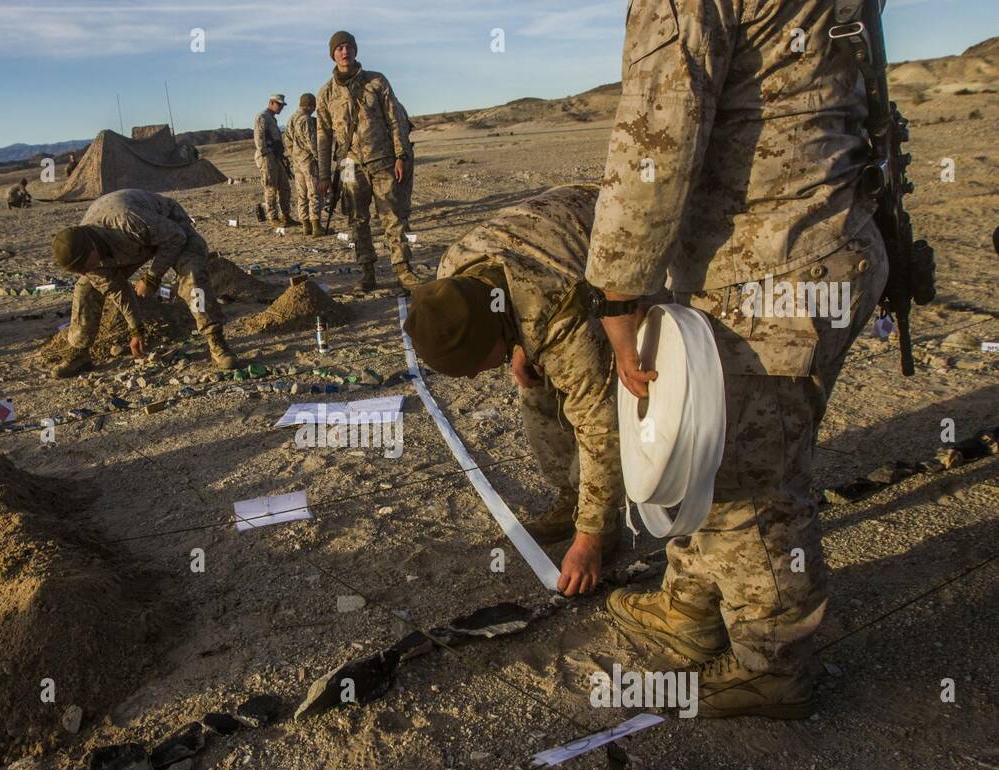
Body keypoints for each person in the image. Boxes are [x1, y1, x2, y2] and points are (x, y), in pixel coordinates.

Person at [586, 0, 889, 718]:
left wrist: (618, 295)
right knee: (708, 454)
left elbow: (655, 139)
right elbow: (868, 93)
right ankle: (691, 608)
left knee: (750, 481)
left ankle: (772, 662)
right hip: (831, 245)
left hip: (767, 270)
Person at [403, 185, 623, 595]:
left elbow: (602, 426)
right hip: (545, 252)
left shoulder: (560, 315)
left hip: (609, 231)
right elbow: (504, 304)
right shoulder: (453, 275)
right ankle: (571, 496)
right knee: (534, 386)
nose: (474, 379)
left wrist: (590, 538)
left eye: (477, 365)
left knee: (613, 400)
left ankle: (602, 526)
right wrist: (519, 345)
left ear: (493, 336)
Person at [49, 188, 240, 376]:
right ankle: (79, 353)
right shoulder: (89, 258)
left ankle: (215, 340)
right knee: (85, 289)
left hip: (170, 226)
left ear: (91, 249)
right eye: (77, 269)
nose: (83, 271)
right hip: (134, 246)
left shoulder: (126, 221)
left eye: (82, 265)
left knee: (193, 275)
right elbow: (117, 290)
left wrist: (152, 277)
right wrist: (136, 329)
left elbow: (176, 237)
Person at [316, 30, 420, 291]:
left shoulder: (376, 81)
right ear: (332, 54)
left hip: (382, 159)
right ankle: (367, 273)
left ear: (355, 50)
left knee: (393, 216)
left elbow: (395, 120)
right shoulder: (326, 94)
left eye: (348, 46)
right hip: (349, 166)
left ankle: (403, 270)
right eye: (339, 48)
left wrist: (401, 155)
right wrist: (325, 175)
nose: (344, 51)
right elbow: (323, 136)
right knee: (356, 219)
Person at [284, 93, 324, 236]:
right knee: (314, 193)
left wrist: (295, 154)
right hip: (308, 161)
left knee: (302, 194)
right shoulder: (306, 120)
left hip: (297, 161)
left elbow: (287, 141)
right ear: (310, 105)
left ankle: (306, 226)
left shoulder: (291, 119)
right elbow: (312, 142)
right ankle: (316, 226)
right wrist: (318, 158)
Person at [253, 94, 295, 229]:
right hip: (267, 157)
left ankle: (286, 216)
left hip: (276, 156)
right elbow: (259, 138)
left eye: (282, 105)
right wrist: (265, 155)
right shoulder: (262, 117)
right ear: (271, 103)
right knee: (271, 187)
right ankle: (273, 217)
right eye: (279, 104)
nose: (281, 107)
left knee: (284, 187)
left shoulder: (272, 119)